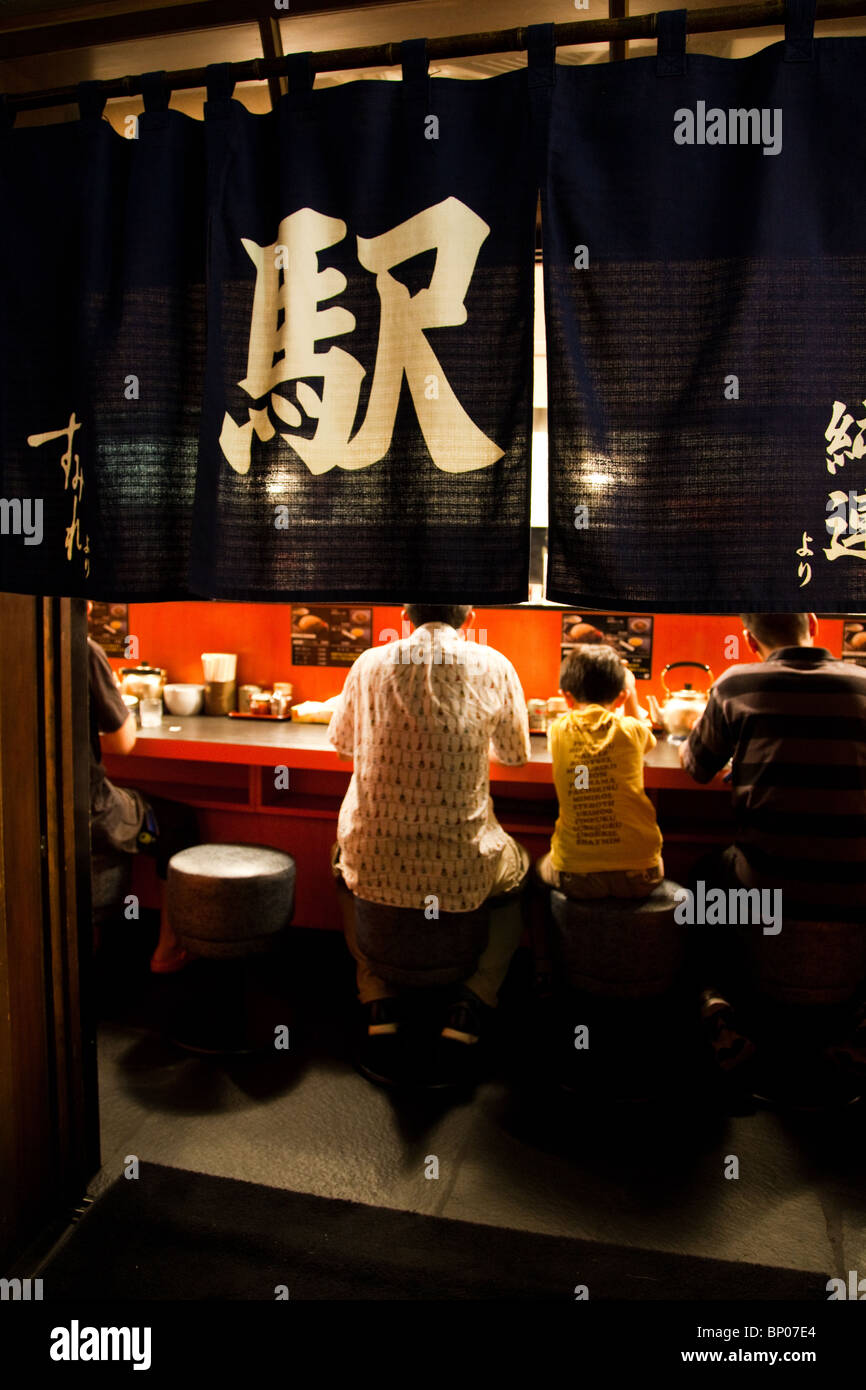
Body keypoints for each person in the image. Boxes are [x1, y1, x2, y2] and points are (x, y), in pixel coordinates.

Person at [328, 603, 531, 1085]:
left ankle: (375, 994)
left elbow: (341, 744)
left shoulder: (368, 663)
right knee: (520, 868)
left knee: (343, 859)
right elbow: (518, 755)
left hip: (375, 856)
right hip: (465, 865)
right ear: (471, 611)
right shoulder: (495, 664)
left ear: (404, 612)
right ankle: (474, 999)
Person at [679, 613, 866, 1093]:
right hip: (854, 893)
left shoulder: (737, 682)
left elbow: (697, 767)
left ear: (748, 638)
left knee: (695, 882)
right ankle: (857, 1025)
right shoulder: (863, 684)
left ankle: (717, 1007)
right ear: (813, 623)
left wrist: (745, 760)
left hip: (764, 896)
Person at [88, 633, 197, 972]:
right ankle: (167, 949)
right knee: (176, 822)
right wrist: (119, 706)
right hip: (92, 811)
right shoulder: (80, 646)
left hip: (37, 810)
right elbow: (122, 742)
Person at [536, 644, 663, 901]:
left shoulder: (558, 731)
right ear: (622, 697)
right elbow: (646, 739)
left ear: (566, 697)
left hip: (577, 878)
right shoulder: (631, 731)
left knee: (537, 870)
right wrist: (632, 692)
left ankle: (547, 939)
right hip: (641, 874)